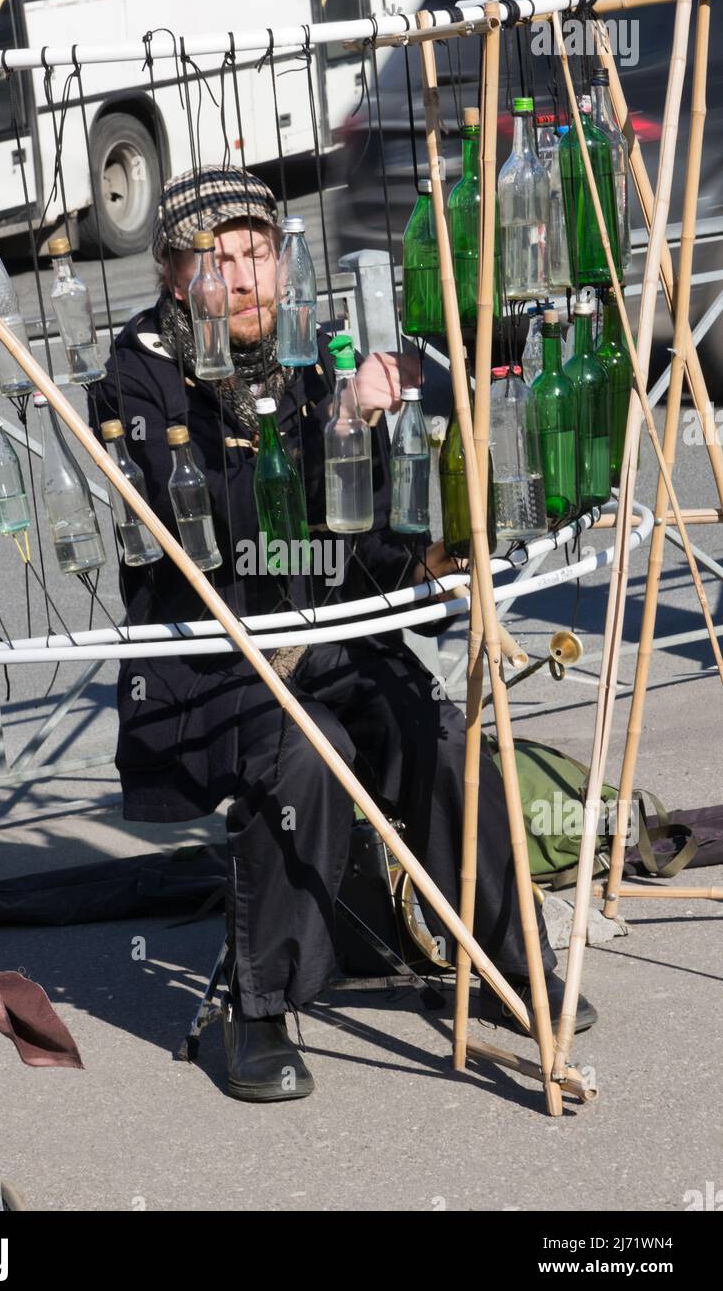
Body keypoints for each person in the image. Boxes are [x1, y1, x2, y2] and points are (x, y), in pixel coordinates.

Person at [89, 164, 596, 1103]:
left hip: (329, 635)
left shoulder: (298, 350)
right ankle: (260, 1008)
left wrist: (423, 553)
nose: (245, 278)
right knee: (305, 756)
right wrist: (332, 421)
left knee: (436, 733)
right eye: (219, 261)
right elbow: (200, 538)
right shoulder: (138, 375)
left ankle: (506, 961)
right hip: (213, 662)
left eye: (259, 254)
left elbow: (345, 526)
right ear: (173, 277)